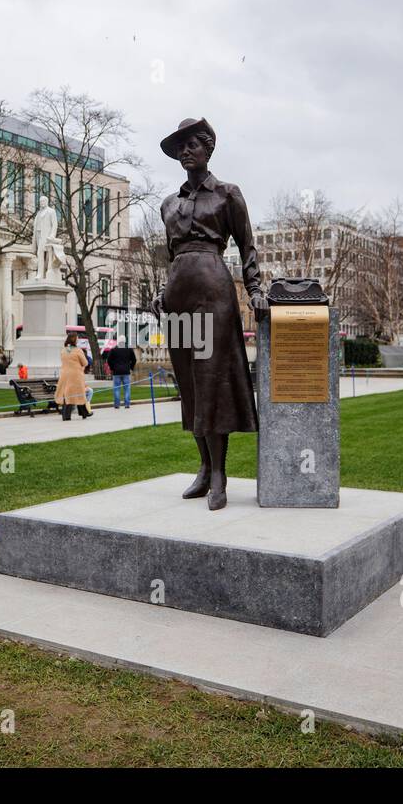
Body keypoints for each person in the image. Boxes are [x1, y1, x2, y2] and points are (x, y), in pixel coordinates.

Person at [152, 117, 266, 511]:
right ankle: (202, 466)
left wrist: (255, 292)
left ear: (208, 148)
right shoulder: (168, 204)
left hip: (214, 290)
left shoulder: (228, 194)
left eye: (192, 144)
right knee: (189, 383)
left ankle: (220, 473)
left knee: (213, 379)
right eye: (180, 146)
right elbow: (170, 257)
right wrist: (161, 293)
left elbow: (247, 247)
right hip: (179, 294)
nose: (186, 151)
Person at [54, 333, 91, 420]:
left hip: (65, 374)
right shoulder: (78, 350)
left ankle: (67, 415)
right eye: (77, 338)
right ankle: (83, 413)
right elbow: (85, 363)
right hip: (76, 375)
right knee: (79, 394)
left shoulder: (63, 350)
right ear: (74, 340)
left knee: (67, 394)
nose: (78, 340)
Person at [105, 343, 137, 409]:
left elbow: (108, 360)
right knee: (127, 389)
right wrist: (131, 367)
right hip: (126, 371)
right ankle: (127, 404)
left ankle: (117, 404)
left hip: (116, 372)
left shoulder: (113, 350)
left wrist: (112, 368)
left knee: (116, 388)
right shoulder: (129, 350)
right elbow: (134, 359)